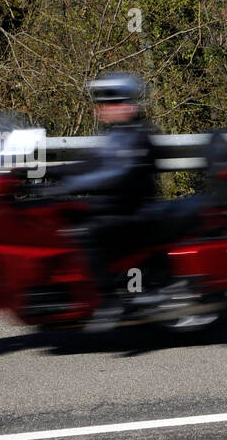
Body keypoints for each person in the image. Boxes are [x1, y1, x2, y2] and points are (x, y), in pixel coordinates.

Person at [46, 73, 160, 331]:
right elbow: (91, 163)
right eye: (101, 102)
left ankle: (108, 301)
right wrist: (49, 172)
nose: (100, 109)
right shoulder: (116, 135)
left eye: (108, 102)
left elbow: (118, 175)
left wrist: (71, 186)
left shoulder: (138, 136)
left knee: (84, 232)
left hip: (136, 213)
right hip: (117, 207)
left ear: (126, 105)